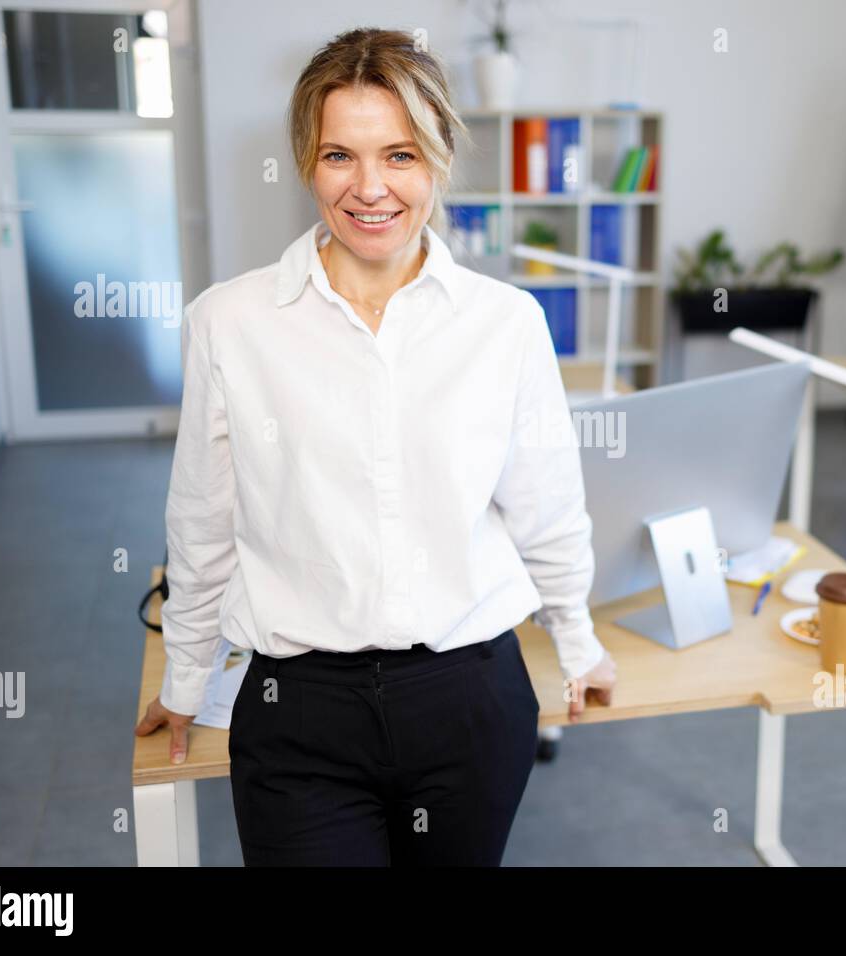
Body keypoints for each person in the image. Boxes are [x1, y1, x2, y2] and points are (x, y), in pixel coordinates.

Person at [134, 27, 617, 866]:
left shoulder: (505, 324)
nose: (369, 188)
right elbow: (204, 519)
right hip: (299, 707)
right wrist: (184, 680)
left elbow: (546, 507)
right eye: (338, 156)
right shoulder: (231, 321)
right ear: (305, 163)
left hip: (469, 699)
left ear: (438, 161)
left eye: (399, 155)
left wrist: (577, 641)